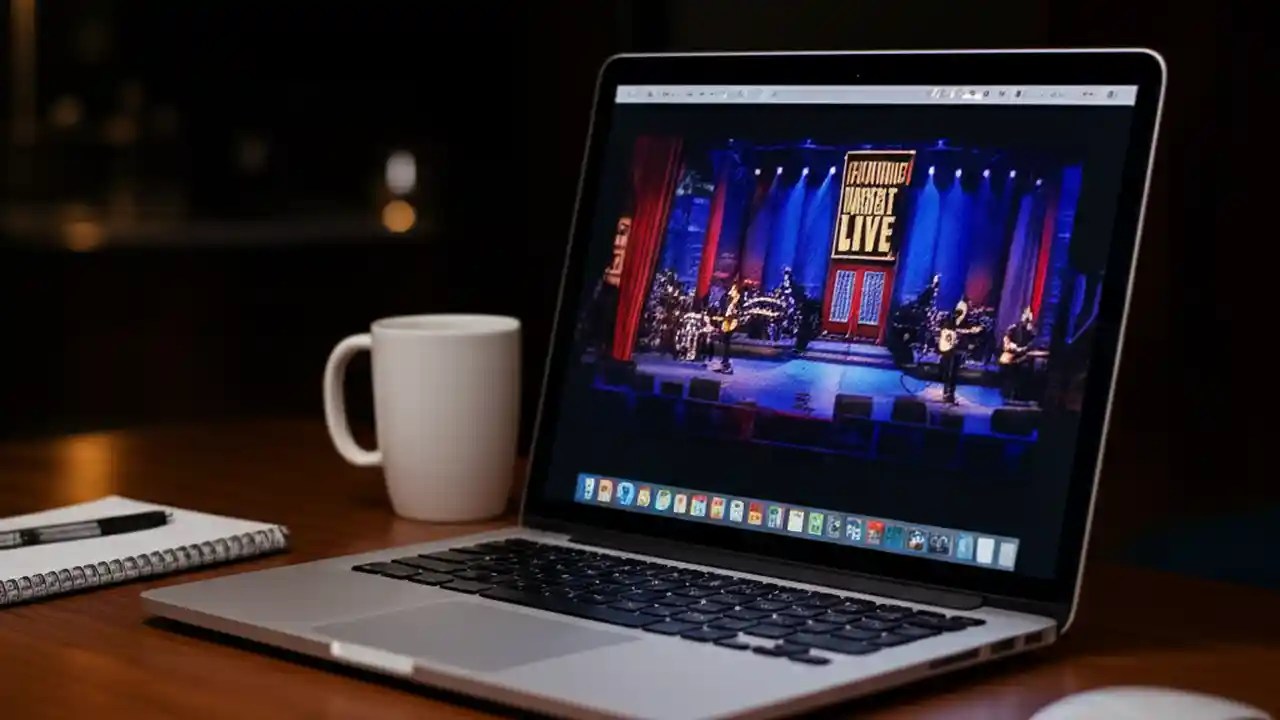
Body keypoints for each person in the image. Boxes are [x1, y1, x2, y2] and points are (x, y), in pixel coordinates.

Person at [937, 297, 977, 404]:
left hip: (958, 348)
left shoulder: (967, 319)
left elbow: (969, 330)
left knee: (954, 372)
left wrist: (971, 332)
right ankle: (947, 393)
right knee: (949, 371)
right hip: (949, 348)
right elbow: (947, 330)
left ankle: (951, 394)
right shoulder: (954, 317)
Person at [1000, 307, 1038, 401]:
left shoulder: (1032, 331)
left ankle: (1018, 394)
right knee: (1007, 366)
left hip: (1024, 356)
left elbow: (1032, 344)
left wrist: (1022, 350)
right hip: (1012, 353)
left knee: (1022, 369)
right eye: (1025, 315)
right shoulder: (1014, 327)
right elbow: (1006, 338)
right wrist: (1010, 346)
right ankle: (1007, 392)